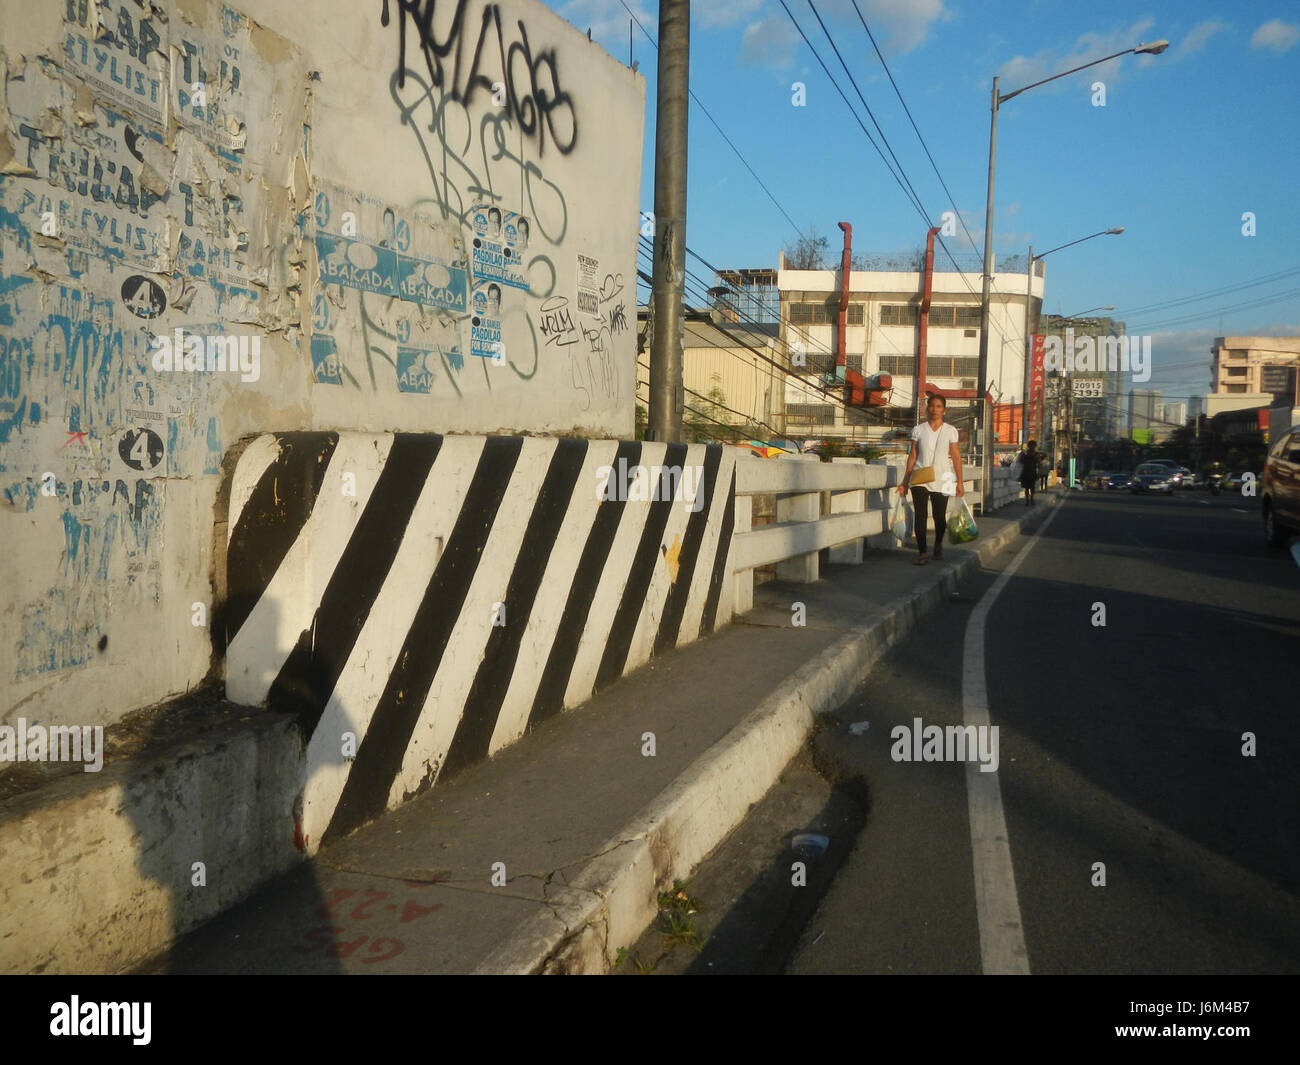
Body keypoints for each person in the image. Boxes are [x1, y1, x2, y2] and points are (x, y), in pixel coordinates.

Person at [898, 393, 963, 565]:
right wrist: (905, 481)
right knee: (920, 514)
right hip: (920, 476)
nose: (935, 409)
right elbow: (913, 456)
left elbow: (956, 457)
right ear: (927, 408)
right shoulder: (919, 430)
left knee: (939, 517)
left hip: (944, 477)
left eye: (939, 406)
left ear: (944, 410)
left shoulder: (951, 430)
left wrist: (960, 482)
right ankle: (922, 553)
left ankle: (938, 543)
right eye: (932, 406)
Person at [1018, 440, 1040, 505]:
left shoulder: (1035, 454)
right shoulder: (1025, 453)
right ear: (1029, 446)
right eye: (1031, 445)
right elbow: (1020, 461)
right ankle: (1028, 500)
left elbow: (1038, 463)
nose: (1032, 447)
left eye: (1033, 446)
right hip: (1026, 472)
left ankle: (1031, 499)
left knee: (1031, 487)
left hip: (1031, 472)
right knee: (1027, 488)